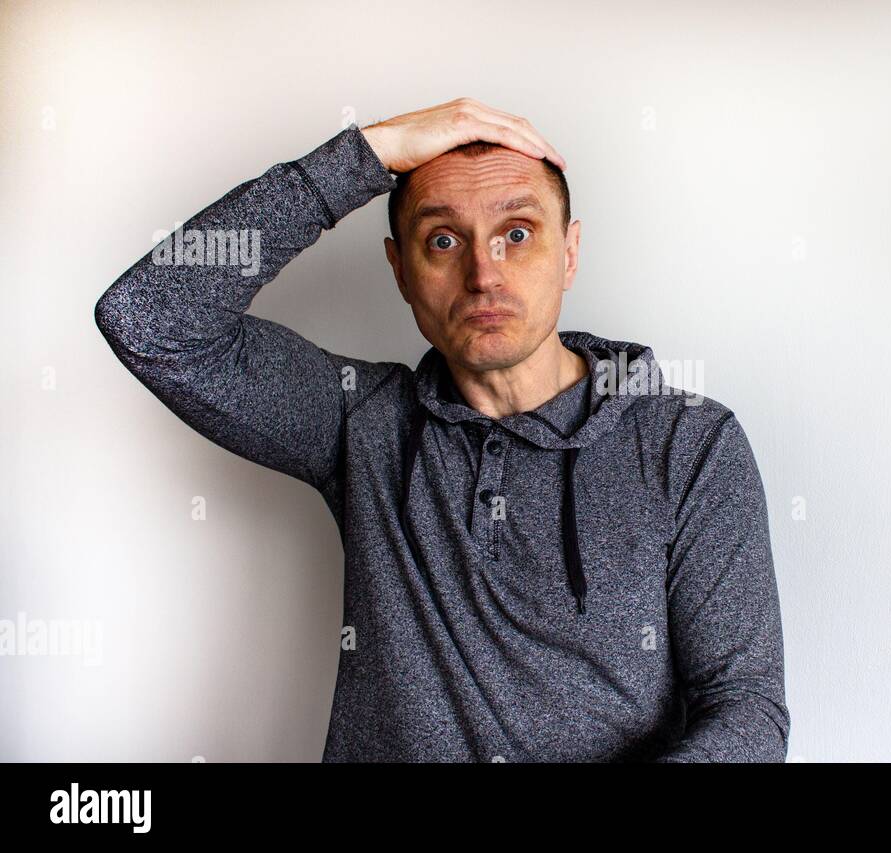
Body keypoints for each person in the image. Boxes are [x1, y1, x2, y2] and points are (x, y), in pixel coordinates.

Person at [94, 97, 789, 762]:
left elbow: (747, 711)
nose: (484, 273)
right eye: (443, 239)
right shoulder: (358, 421)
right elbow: (148, 318)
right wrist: (366, 154)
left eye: (517, 233)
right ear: (400, 270)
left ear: (570, 254)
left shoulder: (688, 443)